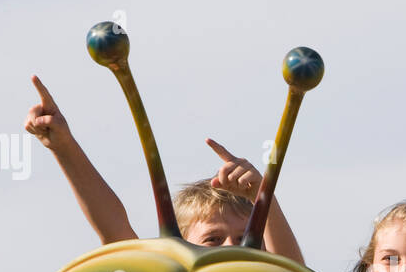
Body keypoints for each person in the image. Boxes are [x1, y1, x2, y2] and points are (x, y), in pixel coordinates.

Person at [24, 75, 304, 261]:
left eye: (245, 237)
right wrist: (64, 146)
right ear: (180, 247)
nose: (231, 246)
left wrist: (263, 197)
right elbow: (115, 232)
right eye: (213, 238)